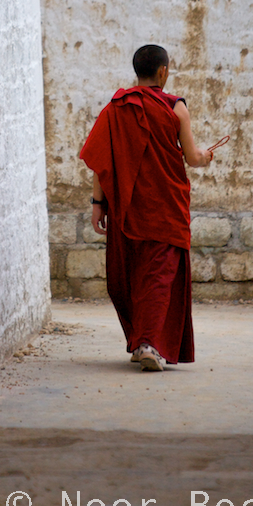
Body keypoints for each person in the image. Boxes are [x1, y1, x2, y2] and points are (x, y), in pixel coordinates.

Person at [79, 44, 213, 372]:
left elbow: (102, 162)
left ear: (137, 71)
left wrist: (98, 205)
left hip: (127, 209)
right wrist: (207, 156)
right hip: (166, 207)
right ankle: (148, 343)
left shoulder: (115, 108)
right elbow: (193, 158)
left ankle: (142, 340)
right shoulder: (175, 108)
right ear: (163, 72)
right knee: (160, 275)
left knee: (135, 274)